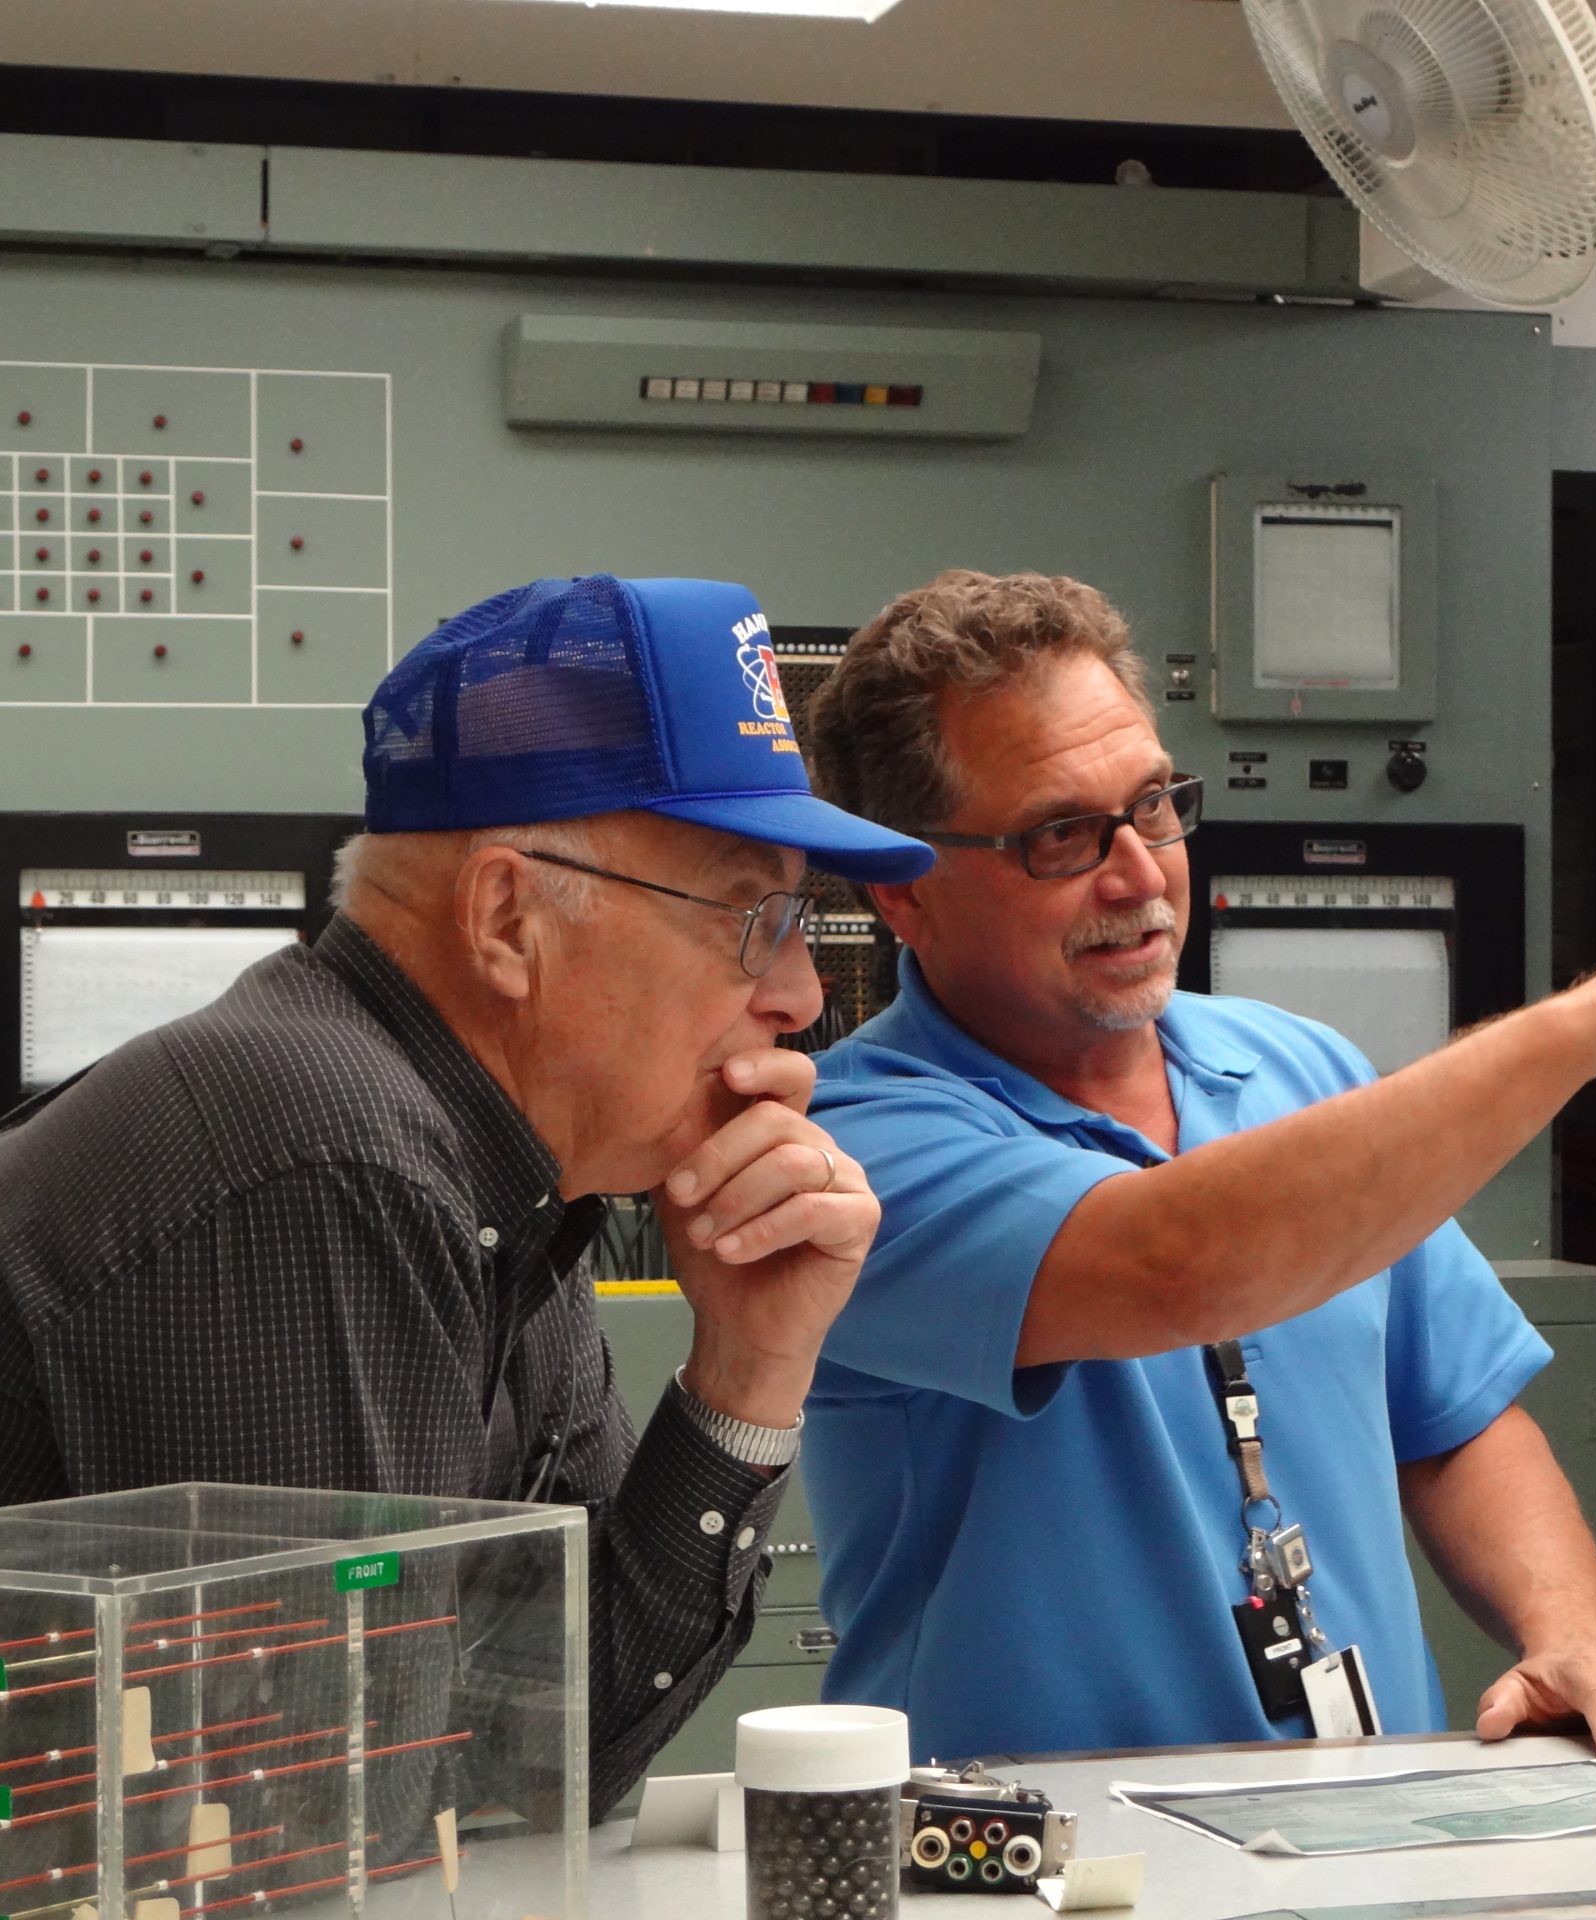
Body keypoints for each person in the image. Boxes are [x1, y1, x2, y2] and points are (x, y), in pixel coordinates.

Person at [758, 569, 1596, 1764]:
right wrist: (1595, 1022)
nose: (1140, 874)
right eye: (1060, 835)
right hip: (1033, 1839)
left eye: (1153, 807)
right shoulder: (849, 1150)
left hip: (1357, 1822)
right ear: (902, 891)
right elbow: (1177, 1263)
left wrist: (1569, 1635)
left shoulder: (1295, 1066)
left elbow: (1454, 1419)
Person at [0, 574, 932, 1812]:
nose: (803, 995)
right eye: (753, 915)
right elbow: (332, 1831)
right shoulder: (331, 1157)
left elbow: (548, 1757)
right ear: (505, 920)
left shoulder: (500, 1171)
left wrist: (749, 1369)